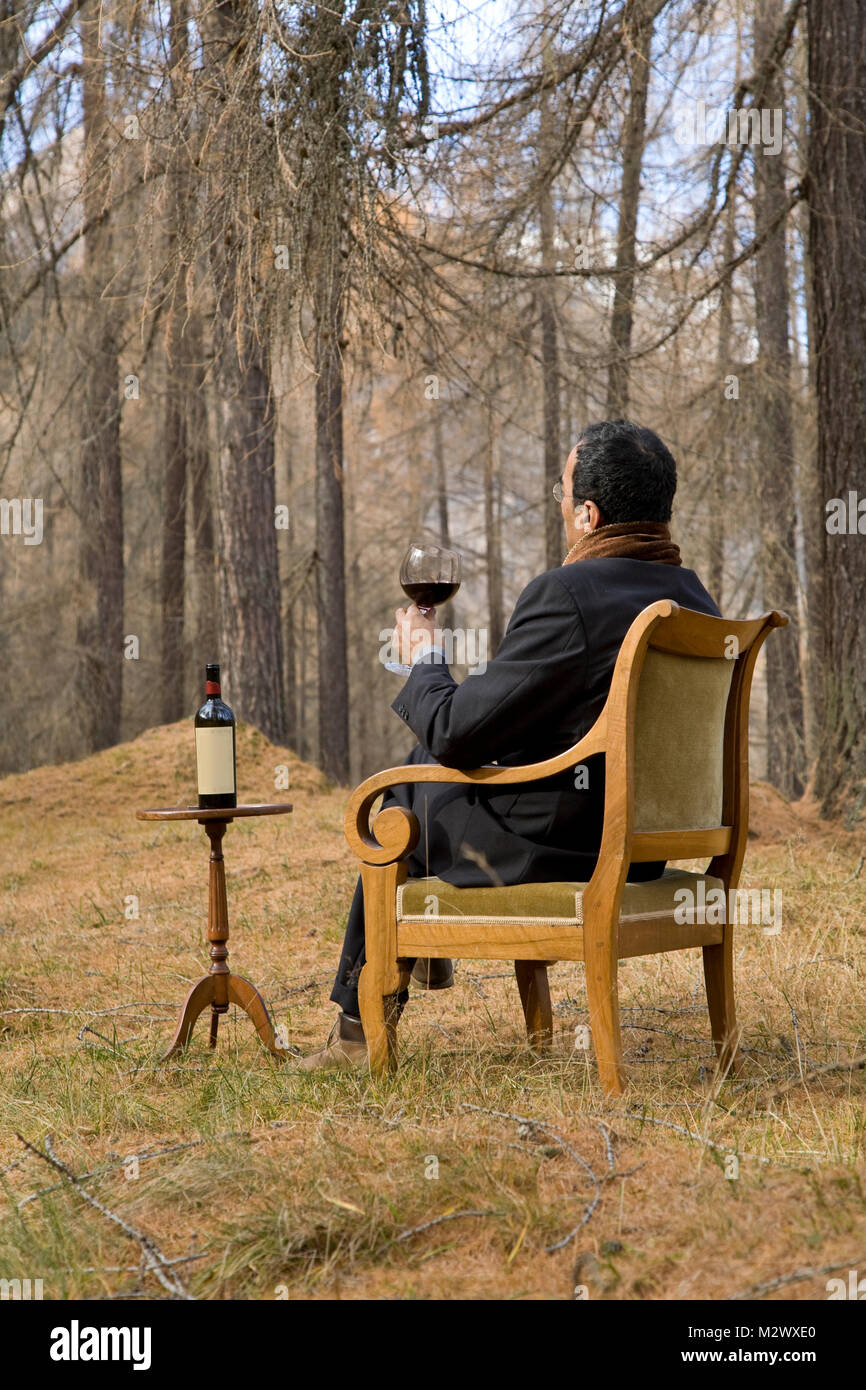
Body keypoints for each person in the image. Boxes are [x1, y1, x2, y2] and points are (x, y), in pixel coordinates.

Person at [299, 419, 720, 1070]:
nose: (558, 501)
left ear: (588, 513)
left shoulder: (570, 595)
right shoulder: (696, 600)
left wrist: (426, 659)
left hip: (567, 844)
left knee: (406, 787)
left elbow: (454, 733)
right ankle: (407, 971)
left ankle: (358, 1032)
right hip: (645, 852)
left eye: (563, 487)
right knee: (420, 780)